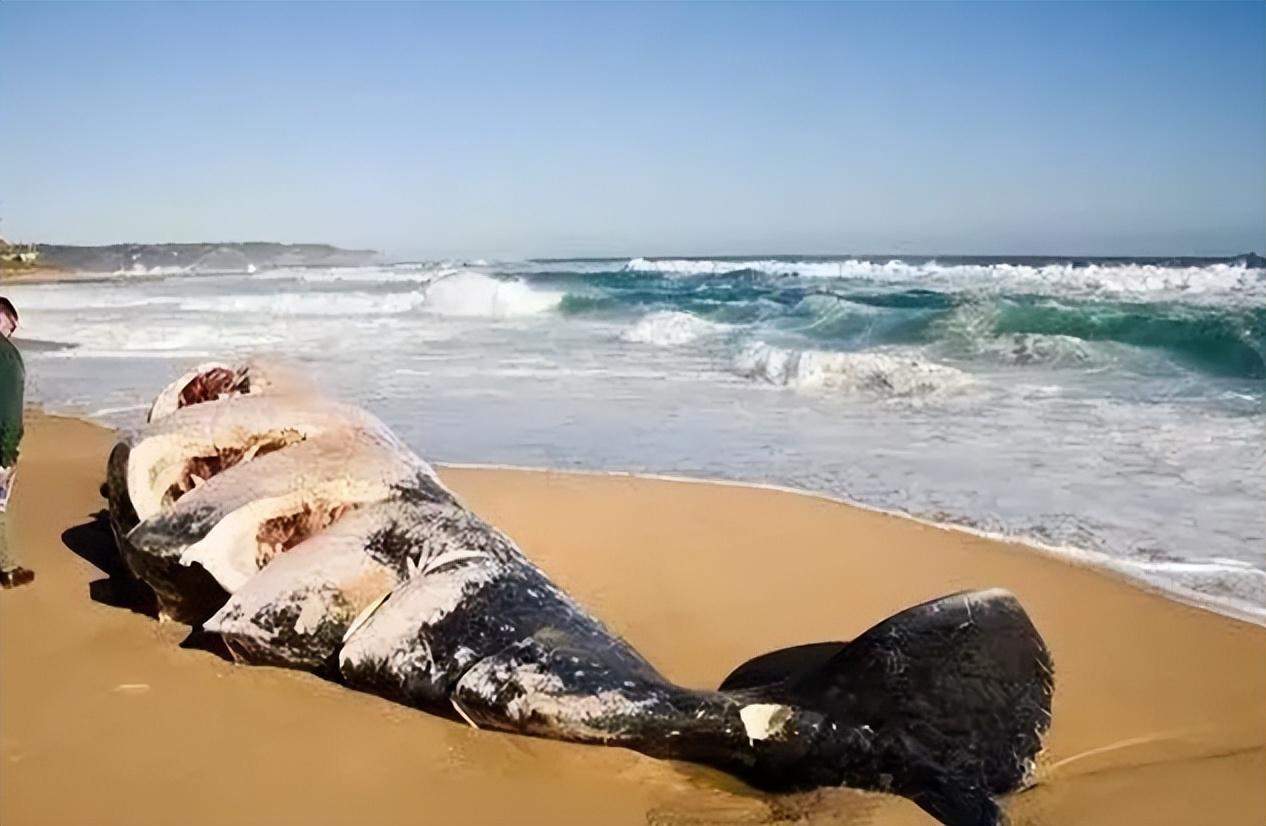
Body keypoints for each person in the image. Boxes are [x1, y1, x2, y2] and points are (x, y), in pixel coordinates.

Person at [0, 296, 34, 588]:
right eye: (12, 326)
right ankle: (8, 569)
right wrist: (7, 456)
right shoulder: (6, 357)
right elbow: (9, 412)